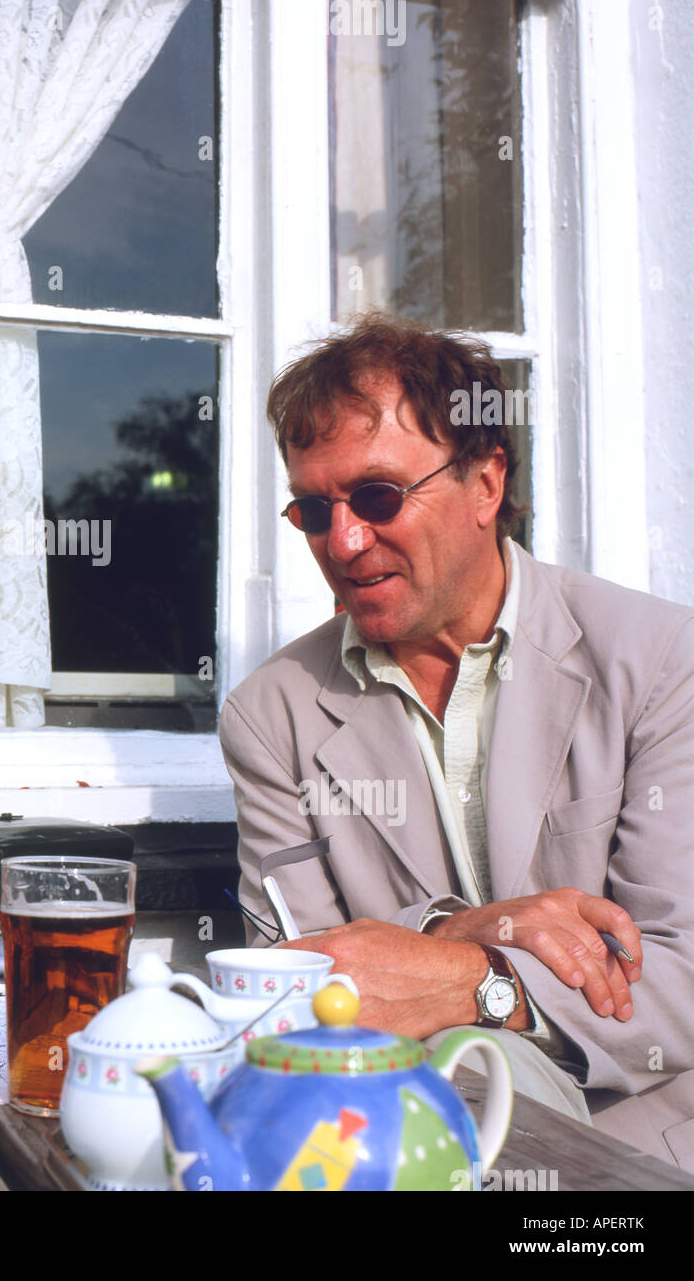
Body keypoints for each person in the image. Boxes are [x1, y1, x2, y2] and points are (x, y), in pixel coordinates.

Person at [222, 312, 694, 1172]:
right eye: (315, 510)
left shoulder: (663, 660)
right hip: (386, 1143)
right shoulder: (271, 713)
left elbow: (682, 975)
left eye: (376, 497)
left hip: (641, 1151)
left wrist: (472, 983)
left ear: (485, 484)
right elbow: (291, 982)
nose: (344, 541)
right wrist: (470, 930)